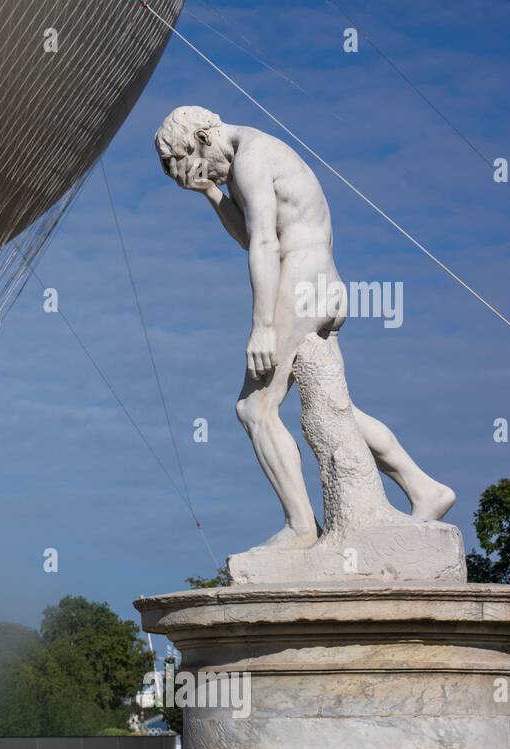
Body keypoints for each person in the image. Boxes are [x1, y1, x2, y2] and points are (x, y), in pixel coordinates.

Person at [155, 106, 454, 551]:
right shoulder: (252, 157)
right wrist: (211, 194)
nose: (207, 175)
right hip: (323, 284)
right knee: (336, 407)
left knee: (255, 409)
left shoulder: (253, 157)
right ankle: (424, 489)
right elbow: (249, 232)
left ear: (203, 136)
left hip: (301, 283)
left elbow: (263, 242)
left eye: (198, 168)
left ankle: (300, 528)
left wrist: (262, 326)